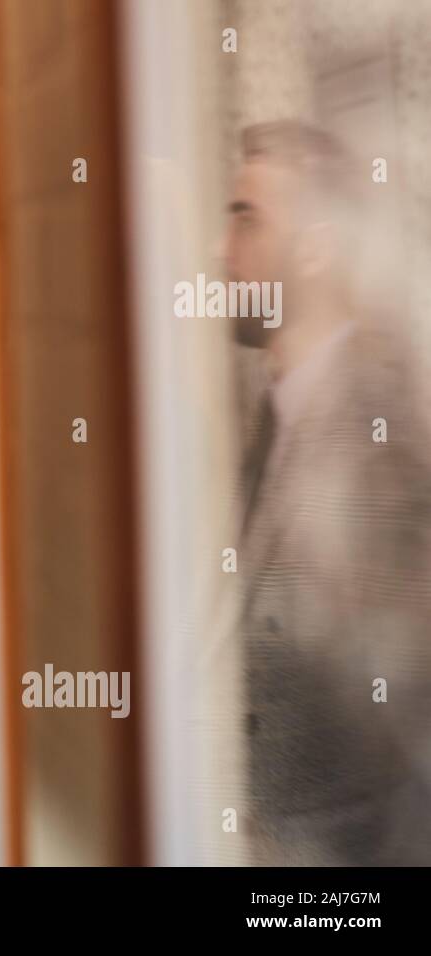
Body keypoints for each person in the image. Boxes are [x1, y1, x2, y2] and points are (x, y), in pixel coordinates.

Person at [222, 121, 431, 865]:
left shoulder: (378, 441)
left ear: (312, 250)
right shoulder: (271, 418)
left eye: (247, 218)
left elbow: (404, 734)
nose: (223, 253)